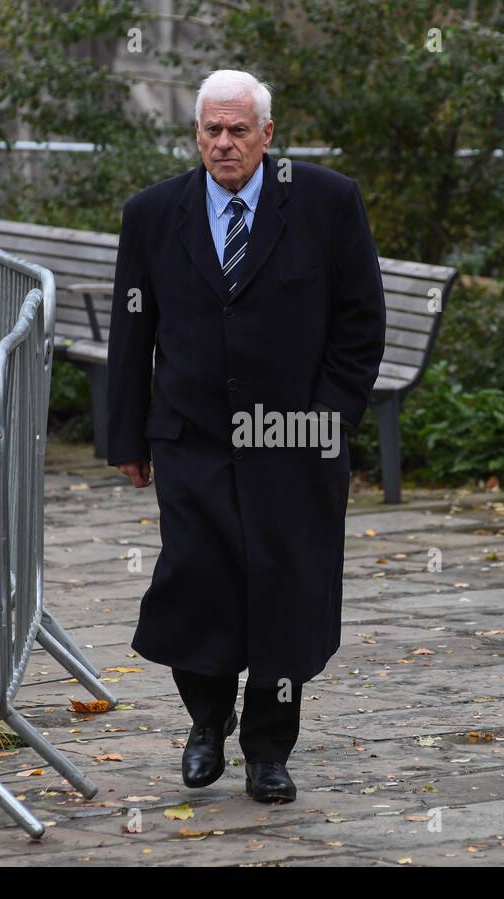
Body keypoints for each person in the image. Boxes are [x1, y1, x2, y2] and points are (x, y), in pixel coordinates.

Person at [107, 69, 386, 803]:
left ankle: (268, 750)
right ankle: (206, 722)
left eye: (238, 130)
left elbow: (360, 322)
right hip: (191, 436)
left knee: (286, 594)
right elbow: (132, 333)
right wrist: (127, 437)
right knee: (195, 583)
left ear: (267, 134)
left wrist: (328, 418)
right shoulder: (153, 213)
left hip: (296, 439)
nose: (223, 144)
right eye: (211, 130)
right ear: (196, 134)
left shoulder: (327, 203)